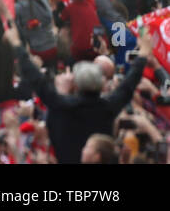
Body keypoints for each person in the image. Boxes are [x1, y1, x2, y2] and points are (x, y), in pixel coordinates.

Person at [11, 26, 149, 164]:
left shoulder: (61, 104)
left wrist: (17, 45)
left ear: (75, 84)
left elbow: (37, 79)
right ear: (101, 85)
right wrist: (143, 54)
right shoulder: (107, 107)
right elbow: (128, 85)